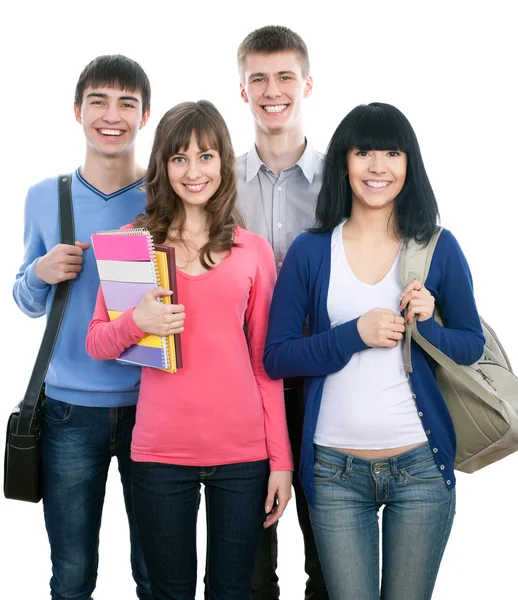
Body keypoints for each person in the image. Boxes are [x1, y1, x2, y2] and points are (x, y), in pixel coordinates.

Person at [263, 102, 485, 600]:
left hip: (421, 468)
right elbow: (276, 357)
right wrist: (351, 335)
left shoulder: (437, 246)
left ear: (410, 164)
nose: (377, 167)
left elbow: (471, 346)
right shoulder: (311, 250)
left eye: (391, 153)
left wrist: (427, 326)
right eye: (363, 153)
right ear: (344, 162)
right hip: (334, 472)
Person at [85, 100, 293, 600]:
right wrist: (138, 321)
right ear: (163, 166)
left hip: (244, 456)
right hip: (160, 453)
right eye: (179, 158)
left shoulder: (254, 251)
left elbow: (268, 366)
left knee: (233, 591)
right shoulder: (133, 246)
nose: (193, 171)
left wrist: (280, 461)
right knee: (168, 593)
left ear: (223, 162)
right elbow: (96, 342)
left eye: (205, 157)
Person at [12, 54, 152, 600]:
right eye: (98, 101)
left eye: (127, 103)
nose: (111, 115)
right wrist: (40, 273)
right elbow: (25, 302)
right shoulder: (47, 197)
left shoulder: (166, 196)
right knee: (71, 574)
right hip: (68, 411)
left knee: (156, 570)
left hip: (153, 405)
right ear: (77, 111)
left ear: (144, 115)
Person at [236, 25, 328, 600]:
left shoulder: (342, 184)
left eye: (285, 76)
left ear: (308, 84)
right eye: (258, 78)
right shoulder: (214, 183)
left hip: (324, 388)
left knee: (330, 558)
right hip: (243, 391)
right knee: (247, 566)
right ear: (242, 90)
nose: (273, 90)